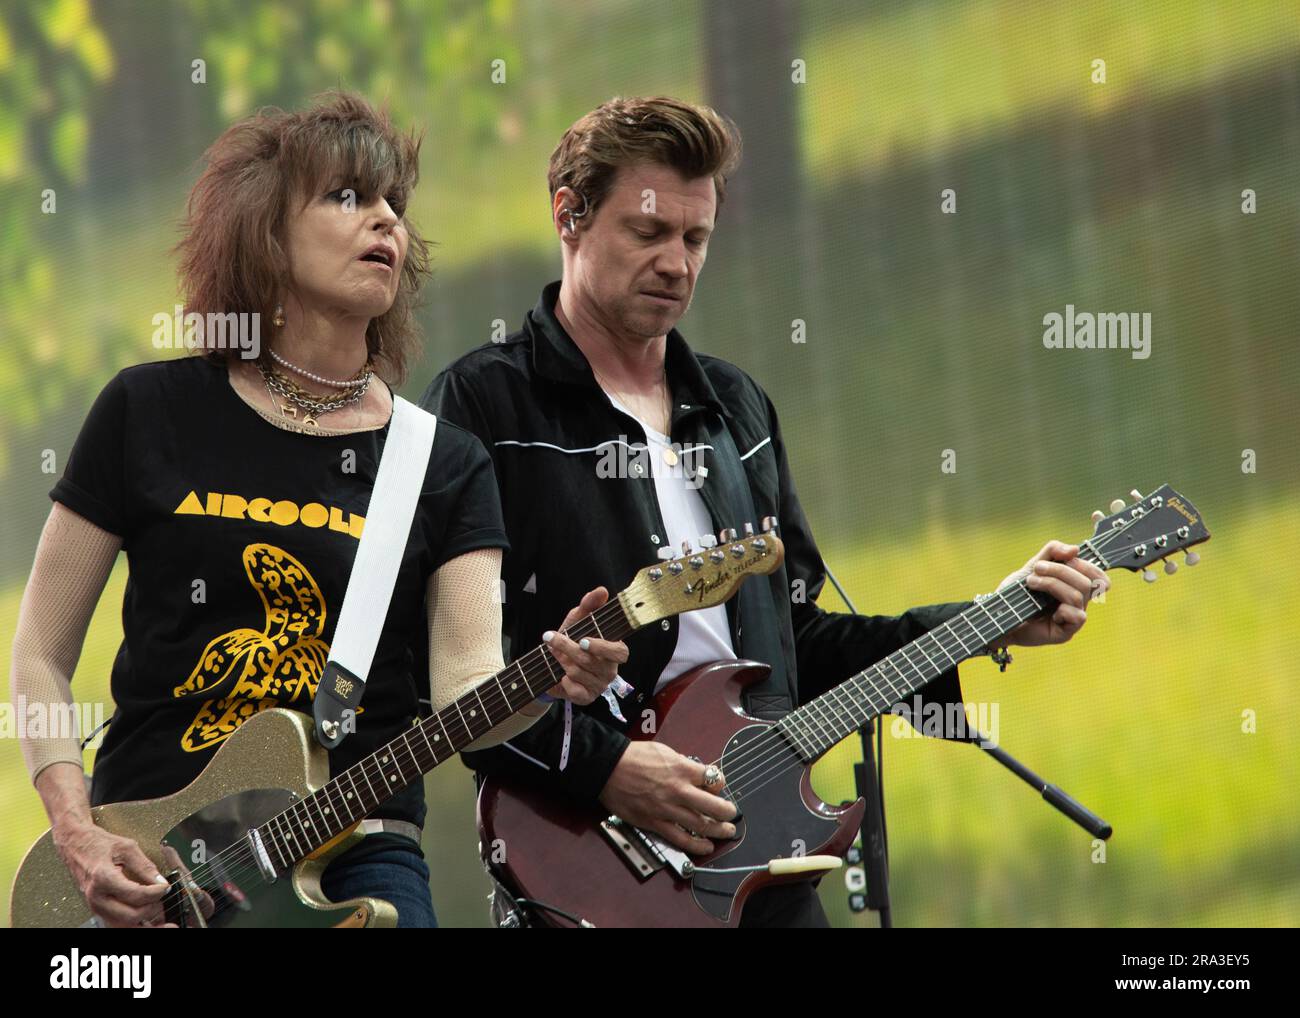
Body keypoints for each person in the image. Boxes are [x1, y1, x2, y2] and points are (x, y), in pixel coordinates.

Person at [421, 95, 1108, 928]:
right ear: (569, 216)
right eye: (648, 233)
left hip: (764, 860)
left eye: (696, 238)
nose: (677, 262)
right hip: (585, 871)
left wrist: (991, 619)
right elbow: (450, 681)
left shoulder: (735, 409)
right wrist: (609, 768)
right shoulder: (484, 405)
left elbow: (798, 643)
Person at [9, 90, 626, 929]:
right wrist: (76, 833)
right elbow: (41, 653)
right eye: (347, 196)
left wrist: (548, 681)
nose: (385, 222)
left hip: (359, 851)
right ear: (264, 232)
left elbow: (468, 698)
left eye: (394, 206)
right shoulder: (147, 412)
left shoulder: (440, 464)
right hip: (146, 866)